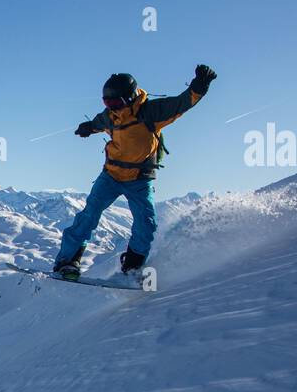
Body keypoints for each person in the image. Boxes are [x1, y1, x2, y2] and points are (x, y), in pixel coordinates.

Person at [54, 64, 217, 277]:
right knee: (89, 215)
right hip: (111, 175)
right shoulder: (111, 115)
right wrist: (89, 128)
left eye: (115, 102)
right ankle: (67, 262)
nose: (111, 107)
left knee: (146, 225)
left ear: (129, 98)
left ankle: (132, 266)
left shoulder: (152, 111)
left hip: (139, 179)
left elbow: (182, 103)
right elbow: (99, 121)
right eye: (107, 102)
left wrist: (199, 86)